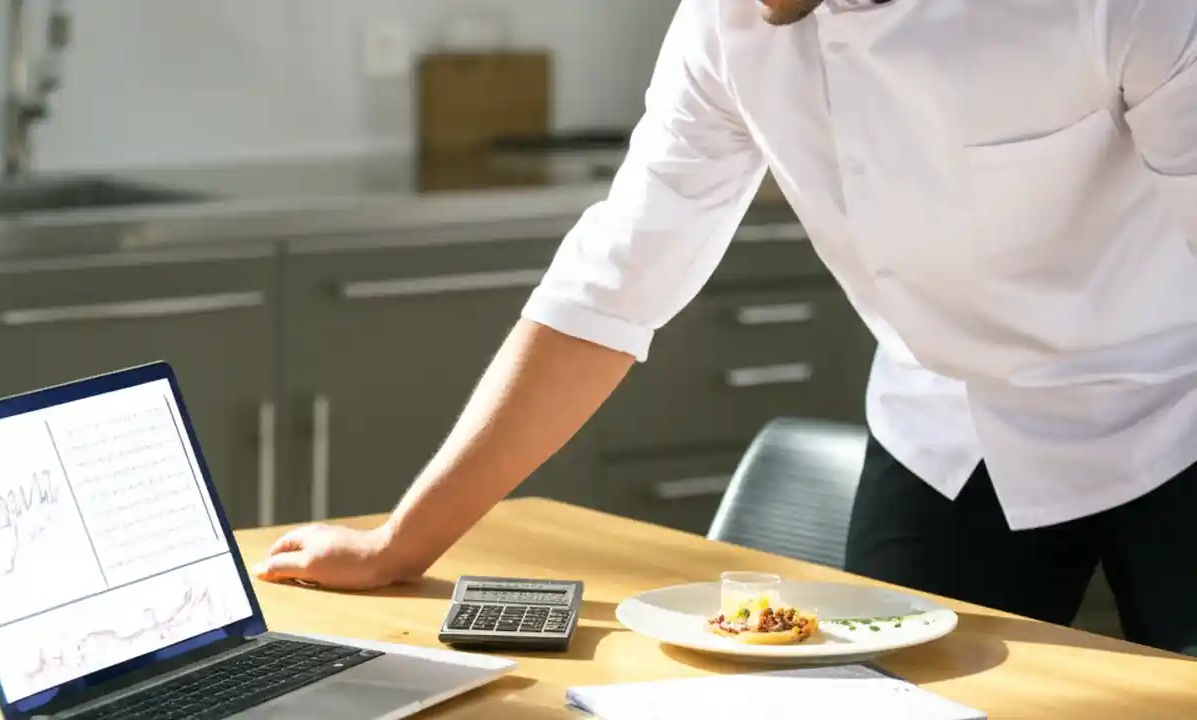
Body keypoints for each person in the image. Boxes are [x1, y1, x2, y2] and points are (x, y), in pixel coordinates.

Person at [255, 0, 1197, 655]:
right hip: (948, 424)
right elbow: (612, 286)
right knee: (884, 699)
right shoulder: (729, 22)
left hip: (1175, 408)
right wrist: (401, 544)